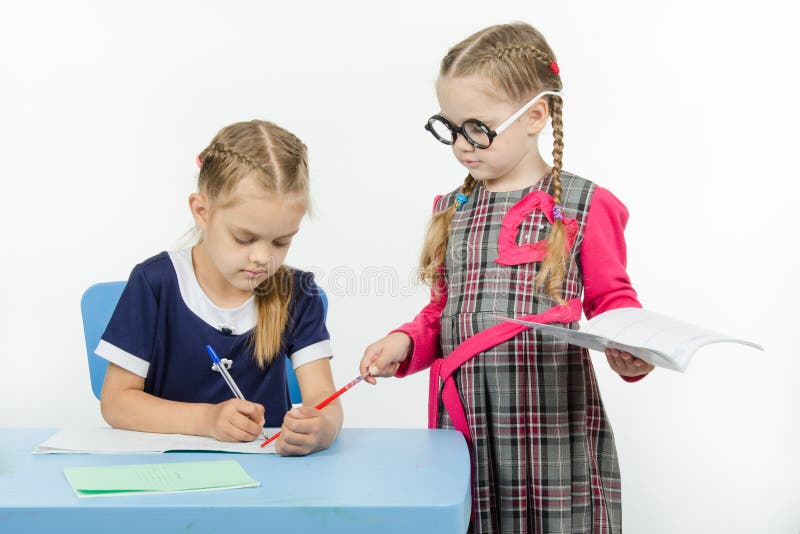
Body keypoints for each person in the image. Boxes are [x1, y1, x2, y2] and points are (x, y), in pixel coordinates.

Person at [360, 22, 654, 532]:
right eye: (450, 127)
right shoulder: (452, 209)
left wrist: (631, 355)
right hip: (468, 424)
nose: (461, 145)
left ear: (535, 115)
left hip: (550, 422)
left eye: (478, 127)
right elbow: (444, 311)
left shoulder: (583, 205)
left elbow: (615, 304)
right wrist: (404, 341)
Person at [98, 119, 342, 456]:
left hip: (267, 482)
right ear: (202, 212)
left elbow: (324, 402)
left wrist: (321, 428)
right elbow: (116, 403)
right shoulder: (156, 283)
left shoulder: (298, 293)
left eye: (281, 241)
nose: (262, 258)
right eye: (243, 238)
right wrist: (207, 420)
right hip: (168, 477)